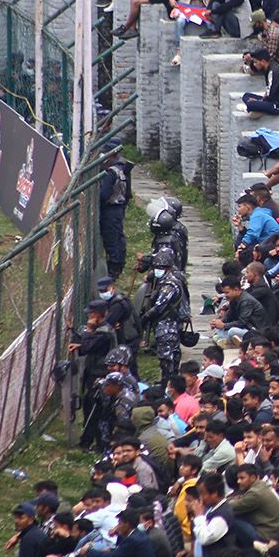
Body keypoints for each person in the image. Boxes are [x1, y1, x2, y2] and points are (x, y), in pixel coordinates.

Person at [136, 246, 190, 391]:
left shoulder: (169, 285)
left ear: (167, 268)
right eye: (156, 267)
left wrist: (143, 319)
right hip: (167, 324)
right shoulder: (165, 279)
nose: (157, 270)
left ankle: (168, 384)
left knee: (167, 357)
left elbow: (159, 306)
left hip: (168, 325)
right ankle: (168, 381)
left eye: (160, 267)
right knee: (170, 355)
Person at [97, 144, 133, 280]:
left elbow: (104, 194)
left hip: (111, 209)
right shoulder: (121, 168)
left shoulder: (111, 172)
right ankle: (117, 264)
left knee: (112, 238)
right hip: (118, 208)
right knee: (118, 237)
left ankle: (114, 268)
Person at [242, 47, 279, 116]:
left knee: (251, 104)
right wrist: (260, 100)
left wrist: (259, 101)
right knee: (246, 95)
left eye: (256, 62)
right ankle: (255, 108)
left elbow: (271, 95)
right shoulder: (267, 70)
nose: (254, 64)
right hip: (270, 100)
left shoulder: (274, 72)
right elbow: (268, 91)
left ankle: (252, 108)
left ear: (263, 61)